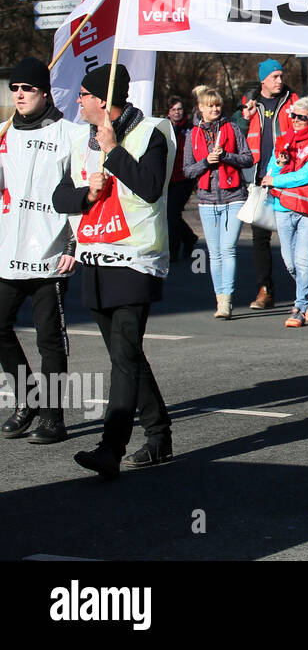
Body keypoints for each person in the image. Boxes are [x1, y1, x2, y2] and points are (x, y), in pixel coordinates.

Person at [53, 64, 175, 477]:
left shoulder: (150, 132)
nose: (80, 101)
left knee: (123, 356)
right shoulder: (82, 139)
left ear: (103, 100)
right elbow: (60, 197)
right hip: (97, 257)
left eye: (85, 94)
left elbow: (152, 185)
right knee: (126, 355)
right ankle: (159, 437)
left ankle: (111, 449)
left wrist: (115, 150)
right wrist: (86, 194)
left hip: (136, 260)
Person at [0, 58, 76, 444]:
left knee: (49, 340)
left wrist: (74, 244)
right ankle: (27, 400)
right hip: (8, 253)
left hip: (50, 254)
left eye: (27, 88)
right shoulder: (2, 134)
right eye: (15, 88)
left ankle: (52, 417)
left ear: (45, 92)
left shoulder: (69, 134)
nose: (19, 94)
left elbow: (83, 195)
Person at [182, 85, 253, 319]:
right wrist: (206, 161)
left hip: (234, 195)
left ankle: (228, 299)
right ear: (201, 108)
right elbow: (188, 170)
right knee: (214, 252)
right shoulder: (193, 134)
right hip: (206, 199)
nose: (215, 109)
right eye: (210, 105)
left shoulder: (231, 128)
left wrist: (225, 156)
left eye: (218, 105)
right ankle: (219, 299)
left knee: (228, 248)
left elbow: (247, 158)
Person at [262, 97, 308, 328]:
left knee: (303, 260)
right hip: (283, 207)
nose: (294, 120)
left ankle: (299, 307)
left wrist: (278, 179)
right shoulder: (283, 141)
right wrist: (280, 166)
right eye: (292, 115)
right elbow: (270, 169)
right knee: (290, 262)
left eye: (300, 117)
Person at [245, 60, 298, 308]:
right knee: (260, 238)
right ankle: (265, 289)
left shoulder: (292, 100)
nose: (279, 80)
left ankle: (304, 290)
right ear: (263, 80)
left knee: (293, 236)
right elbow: (238, 132)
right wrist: (244, 116)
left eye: (281, 75)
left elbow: (304, 129)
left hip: (287, 178)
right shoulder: (250, 103)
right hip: (260, 179)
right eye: (275, 76)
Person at [165, 95, 198, 261]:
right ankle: (189, 237)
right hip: (168, 178)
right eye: (174, 110)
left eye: (179, 109)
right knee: (170, 214)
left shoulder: (190, 130)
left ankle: (173, 250)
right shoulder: (163, 128)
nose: (177, 112)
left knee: (172, 214)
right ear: (168, 112)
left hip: (184, 178)